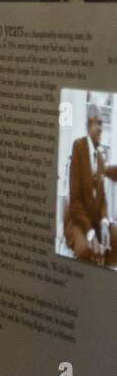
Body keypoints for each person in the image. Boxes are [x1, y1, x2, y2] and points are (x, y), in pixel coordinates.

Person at [65, 103, 117, 264]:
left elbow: (103, 200)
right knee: (85, 250)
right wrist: (90, 232)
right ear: (88, 125)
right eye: (97, 123)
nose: (101, 128)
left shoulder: (101, 157)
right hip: (79, 222)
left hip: (96, 222)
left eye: (102, 123)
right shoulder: (78, 147)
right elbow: (74, 201)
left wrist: (104, 222)